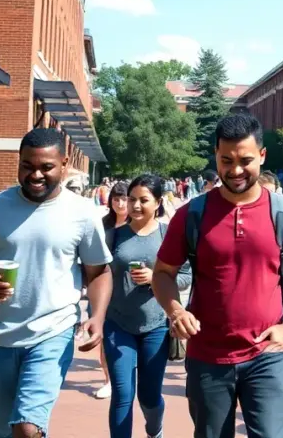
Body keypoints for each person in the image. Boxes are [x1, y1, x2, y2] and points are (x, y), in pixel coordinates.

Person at [152, 114, 283, 438]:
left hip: (267, 355)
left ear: (261, 156)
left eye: (245, 160)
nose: (235, 170)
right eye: (226, 160)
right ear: (216, 156)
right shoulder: (191, 214)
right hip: (208, 356)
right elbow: (162, 273)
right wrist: (175, 311)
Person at [0, 128, 113, 438]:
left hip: (53, 330)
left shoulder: (82, 213)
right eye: (27, 165)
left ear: (64, 164)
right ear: (19, 162)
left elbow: (99, 272)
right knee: (2, 430)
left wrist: (97, 317)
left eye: (46, 167)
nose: (35, 174)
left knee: (27, 427)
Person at [103, 174, 191, 438]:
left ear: (158, 202)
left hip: (156, 326)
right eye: (131, 199)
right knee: (122, 393)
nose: (136, 205)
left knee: (149, 395)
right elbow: (99, 277)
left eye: (143, 200)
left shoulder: (168, 235)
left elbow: (187, 275)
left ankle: (155, 429)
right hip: (118, 324)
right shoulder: (114, 236)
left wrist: (155, 278)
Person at [94, 180, 132, 400]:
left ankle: (127, 374)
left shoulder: (135, 225)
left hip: (130, 286)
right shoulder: (103, 224)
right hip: (104, 286)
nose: (120, 203)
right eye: (116, 198)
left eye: (124, 198)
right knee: (105, 334)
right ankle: (108, 380)